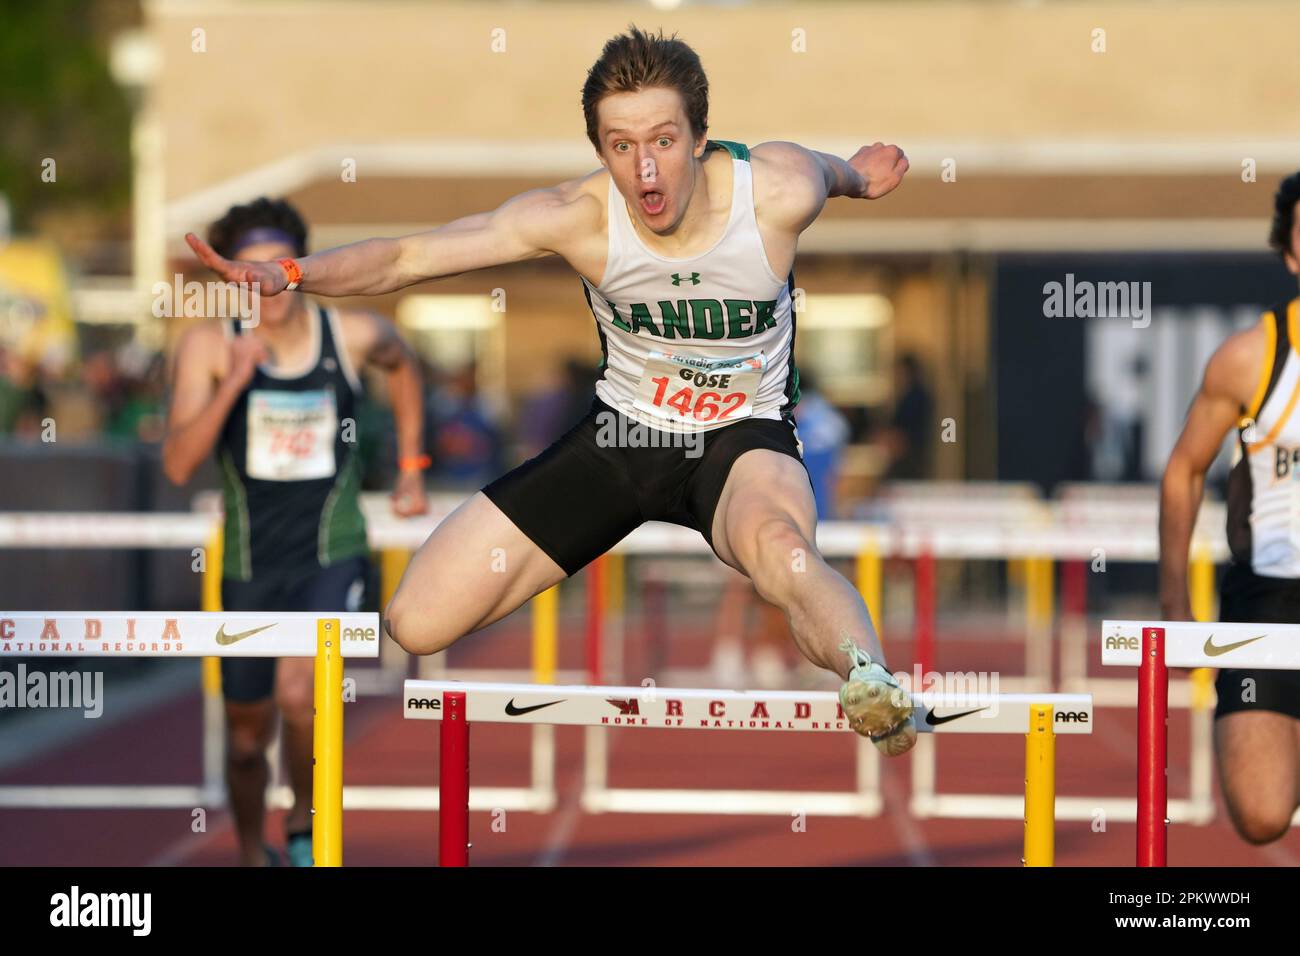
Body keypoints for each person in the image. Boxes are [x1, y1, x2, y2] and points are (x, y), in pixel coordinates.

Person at [185, 28, 916, 755]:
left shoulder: (778, 190)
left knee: (781, 548)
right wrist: (293, 274)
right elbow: (411, 256)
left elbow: (833, 171)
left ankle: (868, 677)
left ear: (699, 138)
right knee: (416, 621)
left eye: (662, 140)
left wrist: (857, 171)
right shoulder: (577, 217)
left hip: (741, 438)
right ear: (600, 152)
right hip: (624, 439)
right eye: (621, 147)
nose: (645, 170)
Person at [163, 198, 428, 865]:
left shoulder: (352, 335)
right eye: (247, 272)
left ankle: (305, 831)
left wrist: (410, 466)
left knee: (299, 696)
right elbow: (177, 463)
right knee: (247, 736)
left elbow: (403, 365)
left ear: (298, 267)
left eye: (275, 268)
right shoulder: (209, 345)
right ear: (230, 279)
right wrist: (235, 384)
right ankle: (255, 850)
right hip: (251, 562)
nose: (264, 285)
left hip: (331, 551)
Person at [1160, 172, 1300, 846]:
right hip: (1269, 596)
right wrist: (1174, 607)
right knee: (1263, 814)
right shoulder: (1251, 357)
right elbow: (1183, 472)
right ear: (1292, 254)